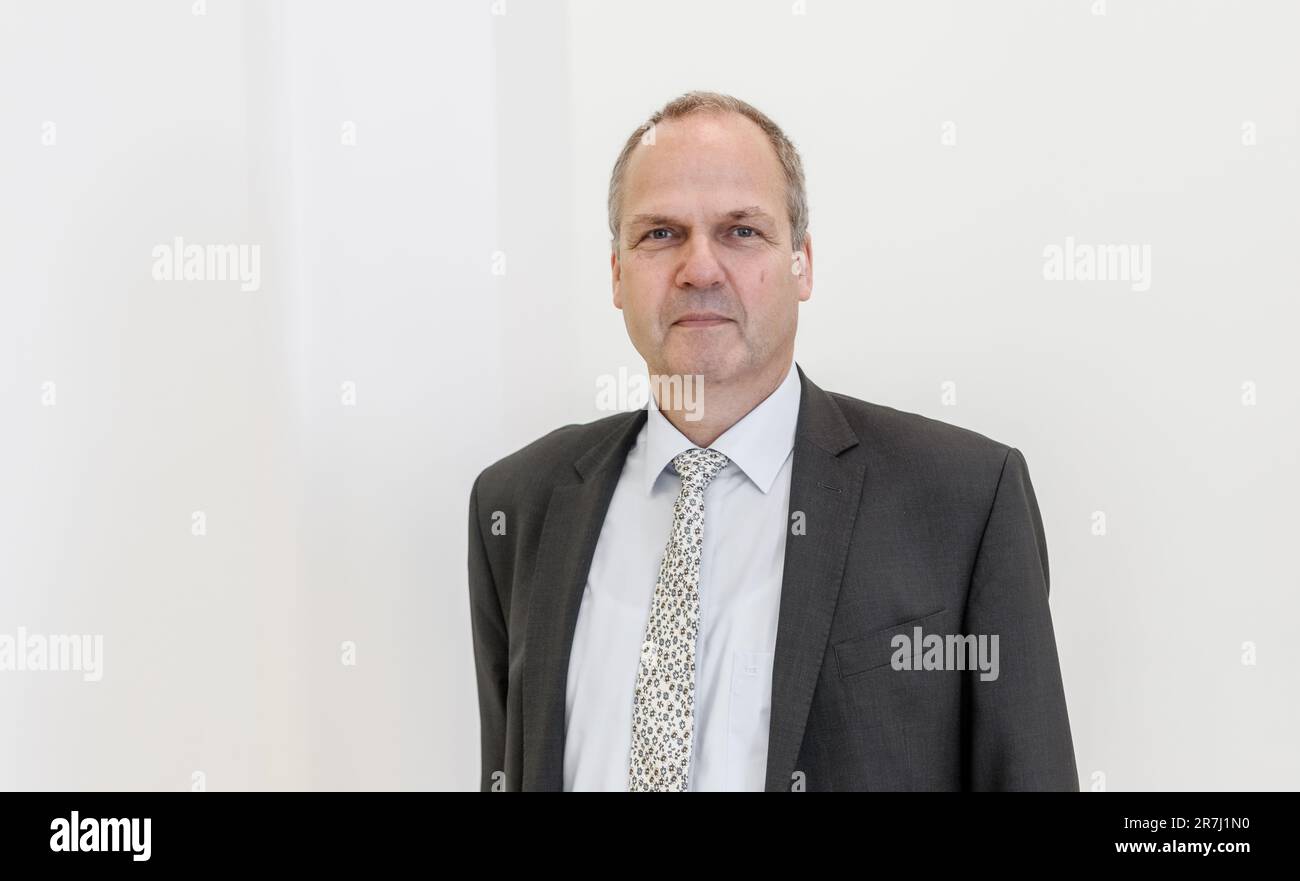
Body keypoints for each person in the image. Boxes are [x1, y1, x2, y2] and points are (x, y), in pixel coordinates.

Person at [467, 91, 1078, 791]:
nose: (699, 268)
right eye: (660, 234)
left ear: (802, 264)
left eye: (741, 231)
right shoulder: (519, 504)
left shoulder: (965, 499)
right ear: (615, 274)